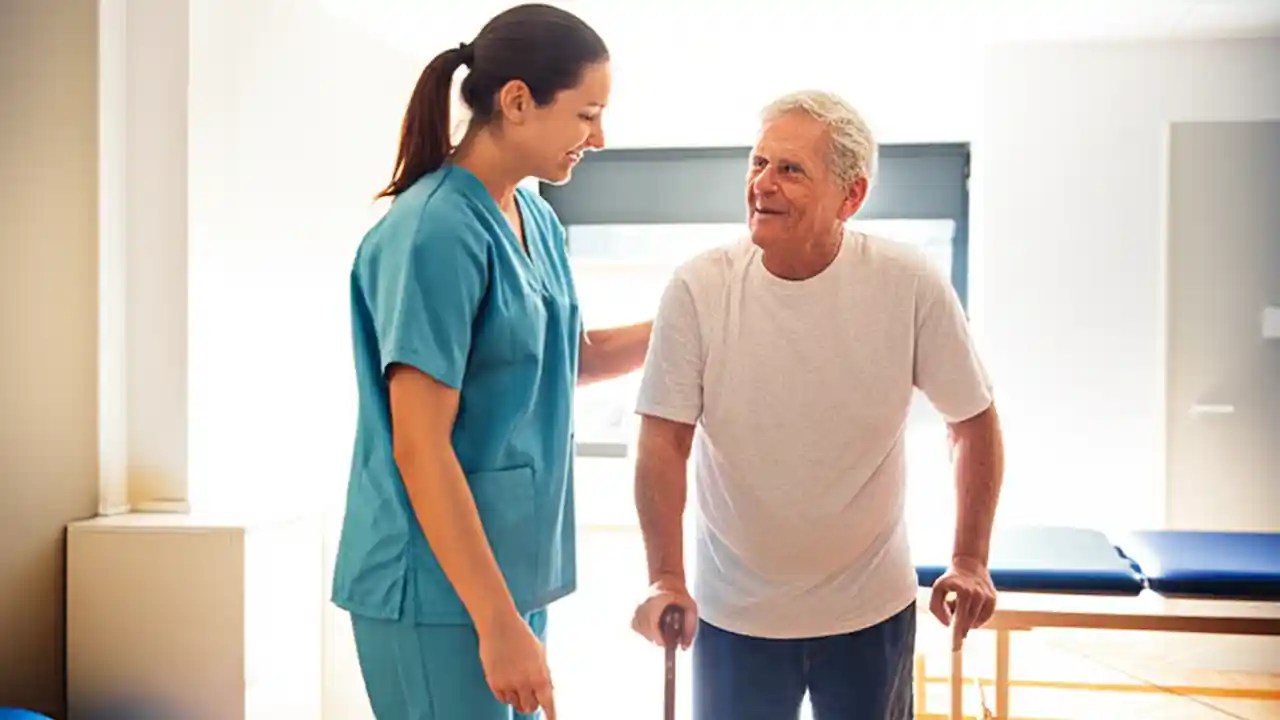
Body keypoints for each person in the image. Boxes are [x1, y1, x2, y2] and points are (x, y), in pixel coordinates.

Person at [629, 89, 1005, 720]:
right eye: (757, 163)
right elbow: (664, 442)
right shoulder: (699, 285)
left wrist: (970, 560)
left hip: (870, 611)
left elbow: (973, 424)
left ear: (850, 197)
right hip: (735, 613)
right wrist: (665, 576)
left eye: (790, 169)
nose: (762, 184)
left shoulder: (908, 284)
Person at [330, 5, 651, 719]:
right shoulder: (433, 232)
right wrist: (499, 625)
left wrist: (694, 322)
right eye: (586, 114)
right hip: (436, 584)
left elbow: (564, 358)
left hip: (507, 572)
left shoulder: (532, 214)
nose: (599, 138)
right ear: (515, 102)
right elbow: (419, 444)